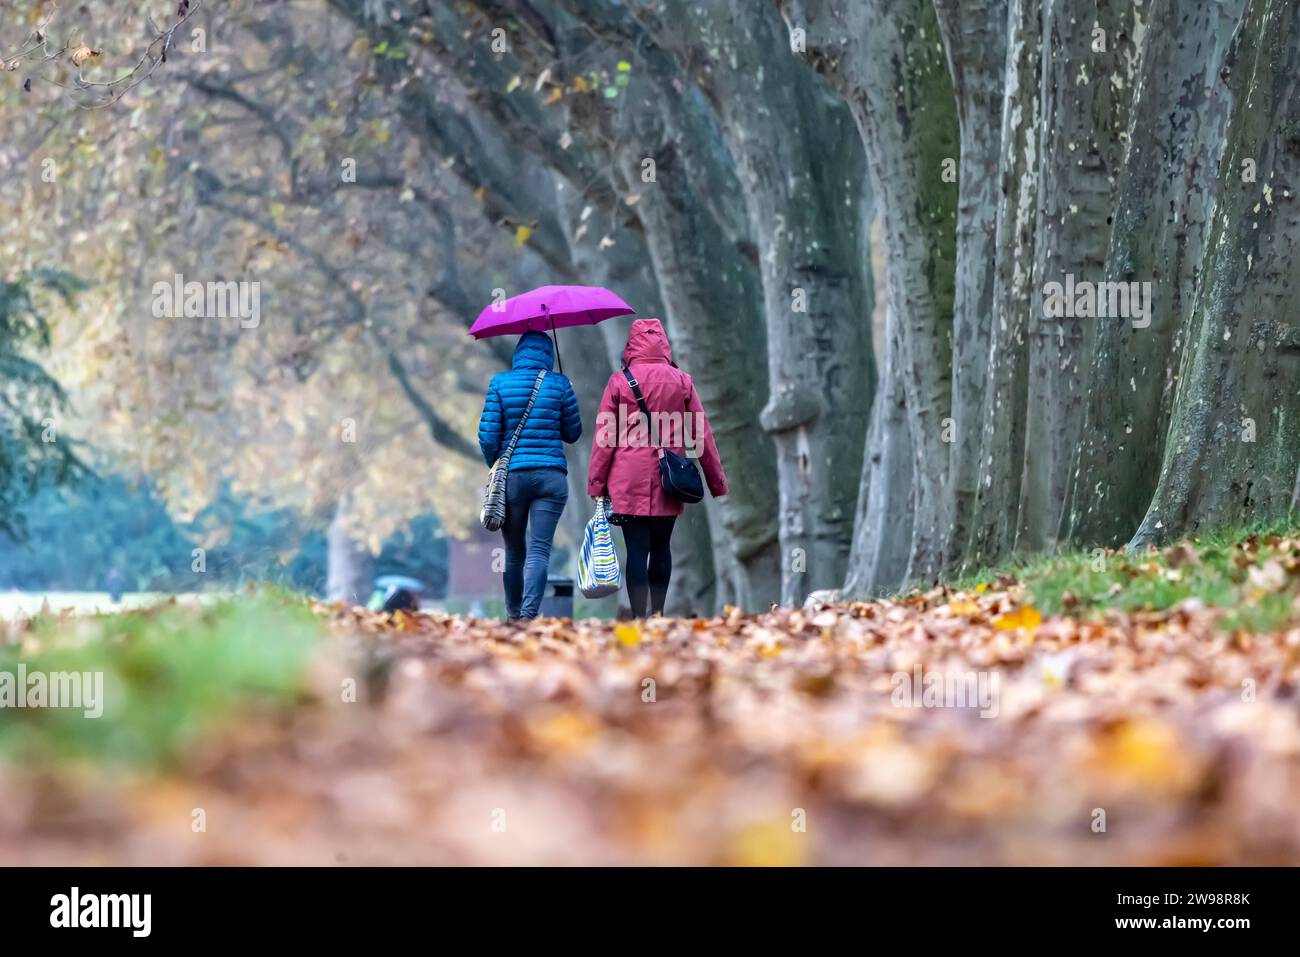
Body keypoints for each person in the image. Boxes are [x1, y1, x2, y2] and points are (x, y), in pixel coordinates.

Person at [587, 318, 727, 617]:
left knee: (636, 550)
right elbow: (701, 433)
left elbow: (604, 437)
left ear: (632, 344)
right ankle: (659, 614)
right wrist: (716, 482)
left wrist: (596, 484)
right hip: (670, 477)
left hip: (627, 479)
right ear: (664, 344)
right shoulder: (681, 380)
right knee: (661, 547)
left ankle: (638, 618)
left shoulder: (619, 382)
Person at [478, 331, 582, 620]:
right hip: (551, 477)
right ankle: (528, 615)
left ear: (518, 353)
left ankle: (513, 616)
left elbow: (487, 437)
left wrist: (495, 466)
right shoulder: (559, 383)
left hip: (512, 478)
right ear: (549, 355)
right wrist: (562, 393)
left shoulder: (500, 383)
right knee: (539, 550)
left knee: (513, 552)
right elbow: (573, 433)